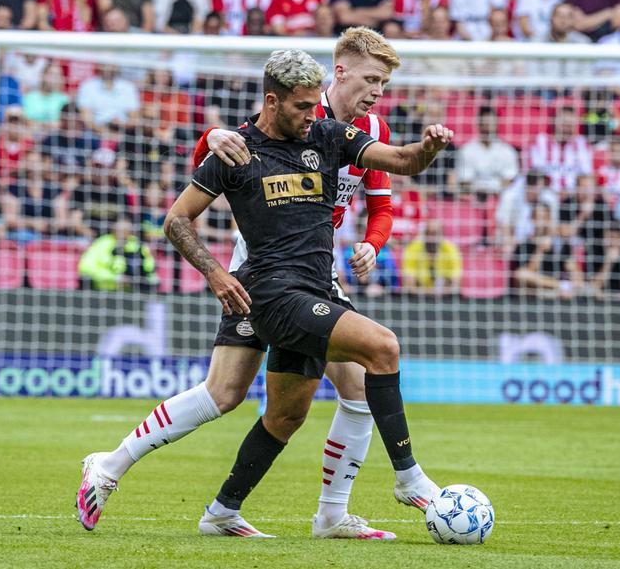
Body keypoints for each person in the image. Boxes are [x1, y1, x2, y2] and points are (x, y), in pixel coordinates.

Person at [78, 30, 438, 541]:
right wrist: (212, 136)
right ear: (339, 74)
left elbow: (391, 185)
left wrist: (374, 242)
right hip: (260, 275)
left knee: (275, 405)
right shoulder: (273, 126)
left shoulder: (348, 133)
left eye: (385, 82)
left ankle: (227, 508)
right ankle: (366, 497)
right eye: (372, 79)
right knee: (288, 382)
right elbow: (205, 182)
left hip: (316, 272)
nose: (378, 91)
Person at [512, 203, 581, 299]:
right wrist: (540, 250)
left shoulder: (559, 243)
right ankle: (560, 287)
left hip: (548, 287)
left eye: (545, 218)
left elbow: (574, 270)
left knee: (578, 283)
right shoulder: (524, 245)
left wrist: (574, 276)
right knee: (521, 275)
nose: (542, 222)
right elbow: (527, 273)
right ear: (532, 219)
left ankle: (555, 292)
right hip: (535, 286)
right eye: (539, 218)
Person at [78, 218, 159, 291]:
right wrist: (114, 278)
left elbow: (150, 270)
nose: (122, 233)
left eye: (126, 230)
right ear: (113, 229)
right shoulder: (102, 243)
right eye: (119, 230)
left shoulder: (138, 246)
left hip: (133, 292)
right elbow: (85, 267)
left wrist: (143, 280)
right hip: (104, 291)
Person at [401, 219, 462, 296]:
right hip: (419, 297)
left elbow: (455, 285)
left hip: (443, 296)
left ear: (442, 235)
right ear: (424, 234)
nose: (432, 238)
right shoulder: (413, 248)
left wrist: (435, 292)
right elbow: (409, 285)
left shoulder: (451, 250)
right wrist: (430, 292)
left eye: (435, 234)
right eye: (429, 233)